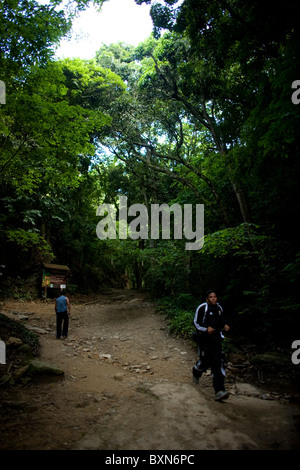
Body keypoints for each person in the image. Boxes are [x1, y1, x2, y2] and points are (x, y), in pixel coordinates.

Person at [192, 290, 230, 401]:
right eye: (211, 297)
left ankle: (219, 390)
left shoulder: (219, 308)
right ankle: (196, 371)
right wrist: (206, 329)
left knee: (217, 363)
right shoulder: (202, 308)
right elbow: (196, 322)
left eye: (215, 296)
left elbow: (222, 319)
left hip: (216, 340)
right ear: (207, 298)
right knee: (205, 361)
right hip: (204, 341)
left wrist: (225, 324)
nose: (213, 299)